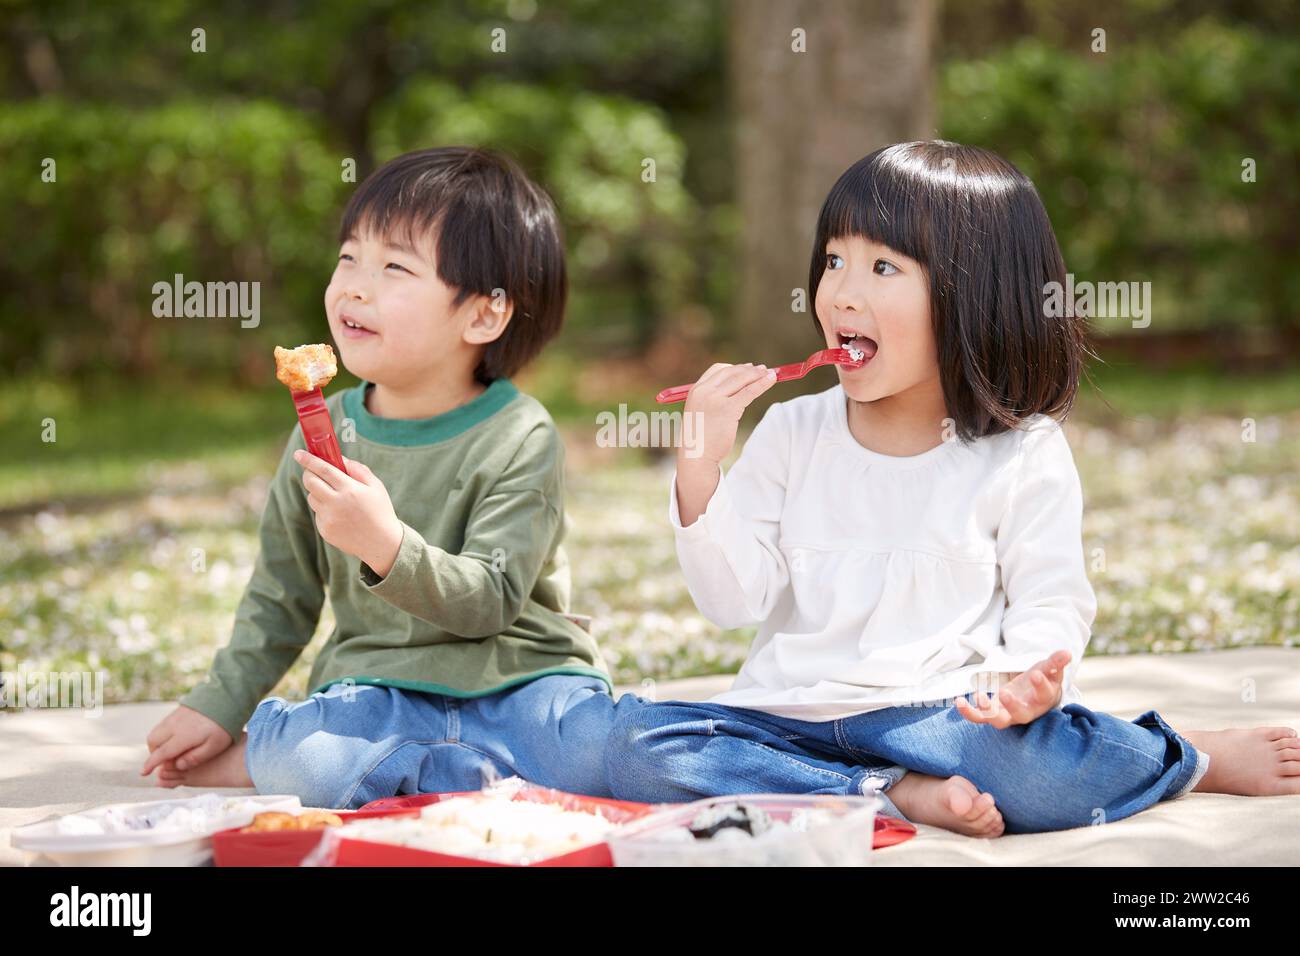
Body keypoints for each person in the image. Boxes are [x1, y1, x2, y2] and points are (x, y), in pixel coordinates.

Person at [604, 141, 1300, 835]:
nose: (841, 290)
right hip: (789, 719)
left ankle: (1184, 757)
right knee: (636, 753)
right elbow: (732, 602)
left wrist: (1022, 681)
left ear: (974, 296)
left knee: (1036, 774)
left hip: (943, 718)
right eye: (833, 260)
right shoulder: (792, 431)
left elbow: (1050, 599)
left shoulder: (1022, 453)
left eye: (882, 266)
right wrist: (700, 466)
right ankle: (889, 793)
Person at [141, 146, 641, 809]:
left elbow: (490, 600)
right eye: (348, 257)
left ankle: (429, 768)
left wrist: (385, 545)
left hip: (520, 683)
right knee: (313, 766)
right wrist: (218, 703)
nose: (354, 284)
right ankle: (442, 770)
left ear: (483, 314)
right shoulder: (323, 435)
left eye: (394, 267)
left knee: (602, 753)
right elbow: (280, 595)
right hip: (382, 691)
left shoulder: (522, 435)